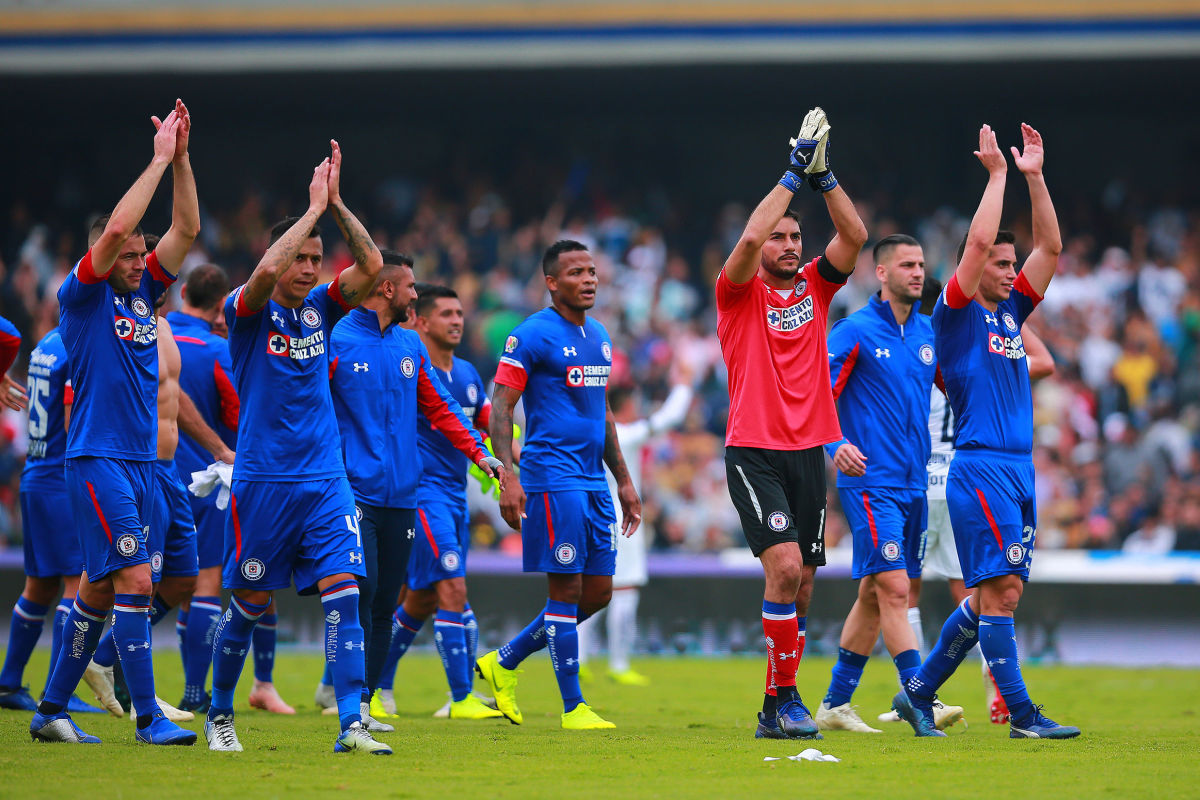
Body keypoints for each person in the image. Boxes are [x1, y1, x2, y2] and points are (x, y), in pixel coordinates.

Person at [892, 124, 1079, 739]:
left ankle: (916, 694)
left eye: (1009, 263)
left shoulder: (1009, 312)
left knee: (996, 597)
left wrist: (1034, 177)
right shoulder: (953, 314)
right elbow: (975, 244)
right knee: (998, 595)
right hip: (980, 466)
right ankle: (1021, 715)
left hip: (1018, 468)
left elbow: (1050, 249)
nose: (1009, 270)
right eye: (1000, 263)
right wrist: (997, 176)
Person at [204, 141, 390, 754]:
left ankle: (351, 723)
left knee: (345, 592)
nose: (310, 269)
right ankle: (219, 713)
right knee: (250, 602)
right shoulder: (246, 311)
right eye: (301, 259)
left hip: (325, 479)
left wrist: (334, 204)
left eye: (315, 259)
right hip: (263, 480)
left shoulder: (320, 310)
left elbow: (371, 264)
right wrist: (307, 213)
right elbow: (260, 276)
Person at [31, 100, 199, 745]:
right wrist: (156, 158)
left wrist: (182, 160)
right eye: (128, 254)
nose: (139, 263)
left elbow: (186, 225)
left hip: (141, 463)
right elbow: (118, 230)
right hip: (97, 458)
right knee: (136, 579)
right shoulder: (82, 293)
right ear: (106, 253)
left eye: (141, 257)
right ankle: (149, 716)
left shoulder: (139, 292)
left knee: (96, 593)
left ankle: (50, 710)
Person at [716, 107, 867, 740]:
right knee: (782, 569)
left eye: (794, 238)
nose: (788, 246)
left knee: (802, 586)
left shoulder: (815, 287)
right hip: (753, 448)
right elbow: (747, 242)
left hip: (809, 450)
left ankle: (776, 706)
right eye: (781, 237)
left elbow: (855, 239)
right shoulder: (737, 290)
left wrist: (824, 177)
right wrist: (791, 172)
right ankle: (785, 698)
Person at [318, 264, 502, 730]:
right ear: (387, 288)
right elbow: (307, 400)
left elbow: (442, 408)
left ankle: (365, 703)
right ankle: (342, 703)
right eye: (411, 286)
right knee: (357, 596)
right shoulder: (338, 338)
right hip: (353, 492)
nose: (415, 294)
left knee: (387, 603)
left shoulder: (408, 346)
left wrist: (483, 458)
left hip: (401, 495)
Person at [474, 239, 642, 730]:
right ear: (551, 282)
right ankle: (574, 708)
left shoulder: (601, 336)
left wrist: (625, 481)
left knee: (599, 594)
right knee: (566, 591)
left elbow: (602, 412)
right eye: (575, 272)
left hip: (593, 481)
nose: (588, 279)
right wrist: (508, 475)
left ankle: (502, 661)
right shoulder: (532, 335)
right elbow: (502, 405)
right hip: (552, 477)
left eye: (591, 271)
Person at [877, 277, 1055, 728]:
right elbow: (1045, 364)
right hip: (969, 474)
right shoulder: (974, 353)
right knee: (981, 590)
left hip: (923, 478)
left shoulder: (919, 353)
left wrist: (1007, 319)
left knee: (916, 592)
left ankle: (919, 689)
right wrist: (1009, 324)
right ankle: (1003, 701)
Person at [816, 234, 962, 734]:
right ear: (881, 273)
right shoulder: (853, 330)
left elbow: (958, 391)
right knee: (897, 589)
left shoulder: (927, 334)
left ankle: (835, 703)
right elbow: (819, 395)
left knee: (875, 595)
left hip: (914, 485)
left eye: (921, 264)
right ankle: (920, 701)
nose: (918, 273)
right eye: (907, 265)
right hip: (869, 482)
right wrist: (835, 446)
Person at [82, 286, 236, 724]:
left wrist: (218, 448)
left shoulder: (162, 327)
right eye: (142, 261)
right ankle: (138, 704)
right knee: (132, 585)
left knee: (184, 579)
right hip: (136, 468)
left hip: (168, 471)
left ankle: (107, 656)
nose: (156, 276)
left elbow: (174, 399)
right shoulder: (114, 327)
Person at [367, 282, 505, 721]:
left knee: (421, 599)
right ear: (421, 321)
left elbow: (488, 421)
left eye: (460, 313)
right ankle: (461, 697)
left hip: (456, 495)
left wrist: (521, 461)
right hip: (422, 494)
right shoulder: (412, 367)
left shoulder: (465, 374)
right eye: (446, 314)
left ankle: (376, 686)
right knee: (453, 588)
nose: (458, 320)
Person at [168, 263, 292, 713]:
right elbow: (244, 416)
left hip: (148, 473)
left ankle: (120, 674)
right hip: (208, 478)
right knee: (208, 584)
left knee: (147, 583)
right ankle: (196, 692)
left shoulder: (153, 335)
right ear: (222, 304)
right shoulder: (218, 350)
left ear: (183, 293)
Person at [0, 324, 103, 714]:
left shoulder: (47, 341)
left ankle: (8, 684)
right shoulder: (81, 343)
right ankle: (58, 691)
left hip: (36, 474)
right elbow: (71, 418)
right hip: (62, 481)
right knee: (76, 586)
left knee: (39, 588)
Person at [576, 375, 694, 686]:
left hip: (594, 516)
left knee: (594, 588)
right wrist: (684, 383)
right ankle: (617, 663)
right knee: (623, 591)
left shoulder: (592, 432)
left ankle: (580, 659)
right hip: (622, 519)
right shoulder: (623, 434)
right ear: (625, 406)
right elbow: (670, 418)